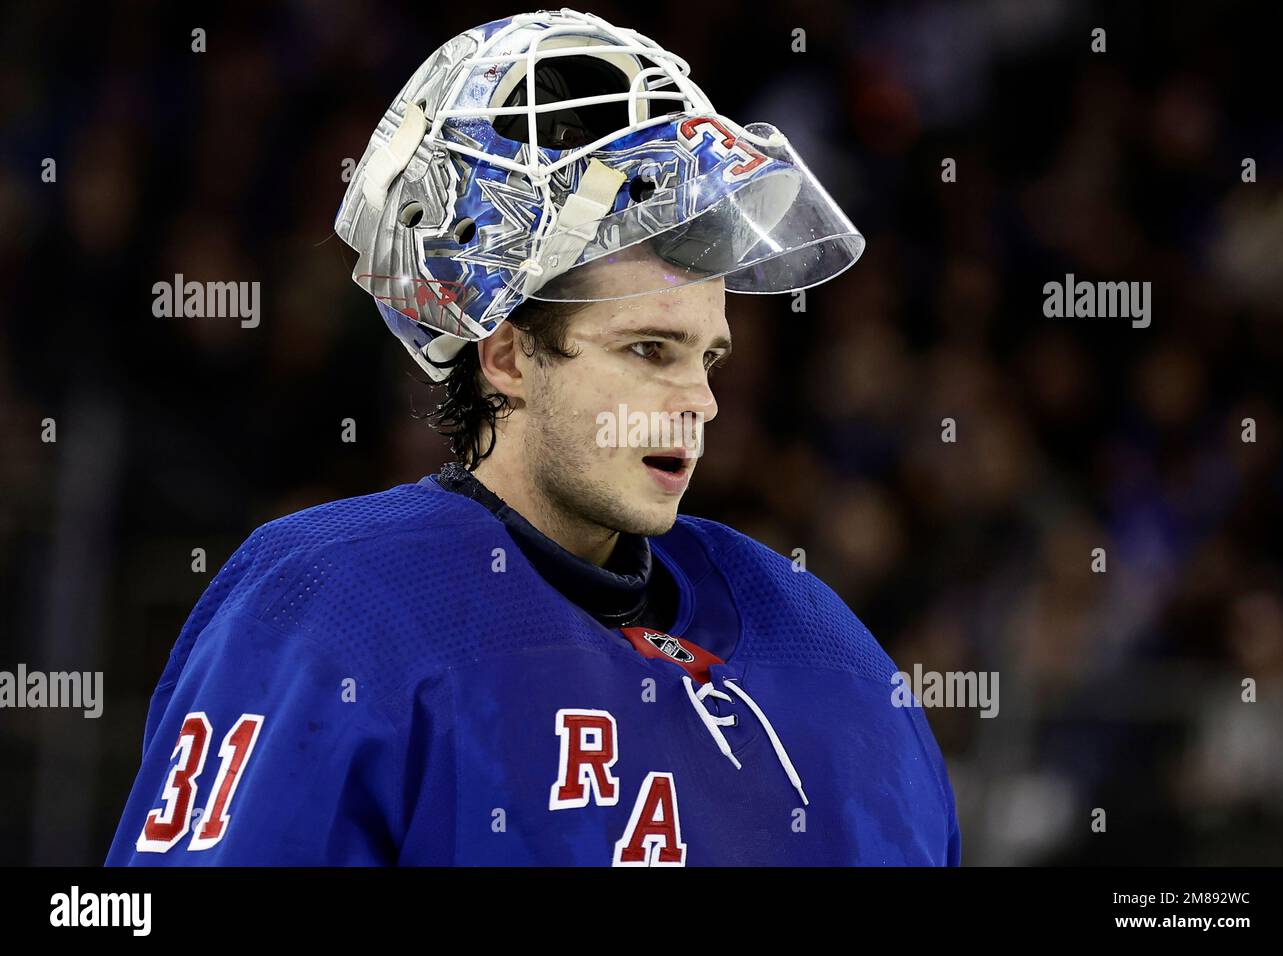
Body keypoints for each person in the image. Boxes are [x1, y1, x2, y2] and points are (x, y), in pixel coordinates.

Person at [106, 9, 959, 865]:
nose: (698, 400)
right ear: (507, 353)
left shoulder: (824, 644)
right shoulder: (334, 606)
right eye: (648, 350)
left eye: (710, 356)